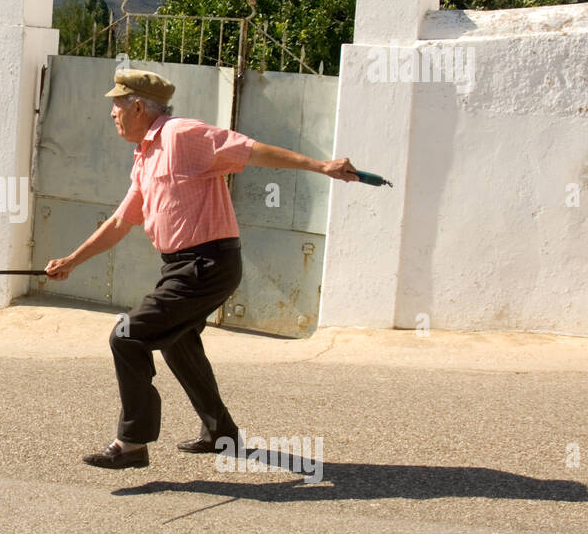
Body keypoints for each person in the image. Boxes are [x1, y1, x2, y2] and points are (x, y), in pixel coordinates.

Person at [44, 68, 359, 469]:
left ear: (138, 106)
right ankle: (220, 433)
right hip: (182, 266)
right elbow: (122, 221)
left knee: (126, 336)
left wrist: (321, 167)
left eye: (117, 106)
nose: (112, 115)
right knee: (177, 342)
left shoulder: (181, 135)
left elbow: (250, 149)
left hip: (208, 263)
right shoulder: (146, 153)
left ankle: (133, 444)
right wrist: (72, 261)